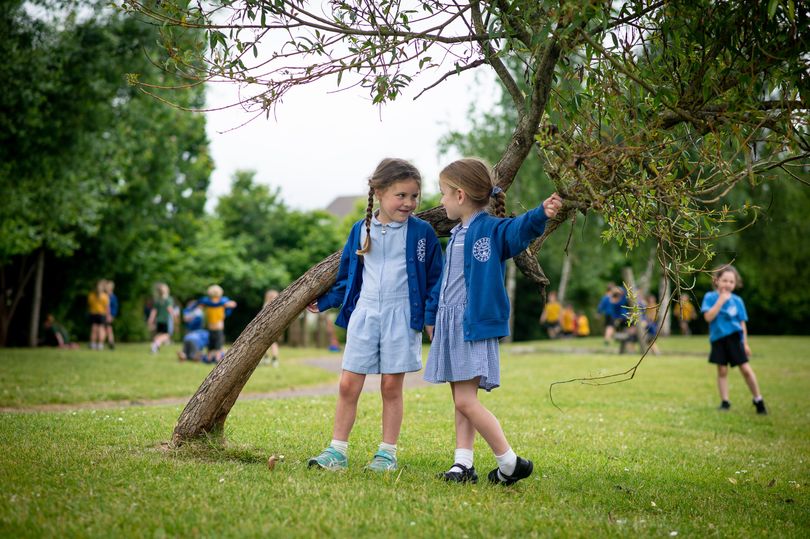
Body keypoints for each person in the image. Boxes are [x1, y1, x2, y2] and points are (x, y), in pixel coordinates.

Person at [423, 157, 563, 486]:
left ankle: (509, 461)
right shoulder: (456, 233)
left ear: (460, 195)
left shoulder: (489, 229)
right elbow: (445, 281)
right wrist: (432, 316)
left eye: (443, 193)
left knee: (465, 400)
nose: (440, 201)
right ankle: (463, 463)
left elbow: (518, 230)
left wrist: (541, 213)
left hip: (472, 322)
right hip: (451, 322)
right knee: (461, 397)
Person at [306, 158, 443, 473]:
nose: (409, 203)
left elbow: (437, 278)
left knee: (391, 387)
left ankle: (386, 454)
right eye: (401, 195)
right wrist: (325, 301)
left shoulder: (422, 233)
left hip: (402, 314)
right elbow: (346, 277)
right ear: (378, 192)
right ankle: (337, 452)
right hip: (365, 314)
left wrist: (430, 316)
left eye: (414, 196)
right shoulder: (360, 229)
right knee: (347, 384)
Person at [701, 265, 767, 414]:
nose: (728, 284)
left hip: (735, 339)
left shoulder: (738, 301)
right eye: (725, 280)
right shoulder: (710, 297)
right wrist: (720, 301)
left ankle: (758, 400)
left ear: (735, 283)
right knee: (722, 370)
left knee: (746, 369)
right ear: (717, 280)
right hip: (718, 339)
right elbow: (708, 317)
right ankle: (725, 402)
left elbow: (742, 323)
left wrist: (745, 343)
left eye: (731, 281)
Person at [193, 284, 237, 363]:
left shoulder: (208, 303)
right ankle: (216, 359)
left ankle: (210, 359)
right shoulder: (222, 303)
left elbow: (198, 304)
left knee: (211, 346)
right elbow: (233, 304)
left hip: (211, 328)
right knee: (217, 347)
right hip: (218, 328)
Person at [147, 283, 176, 354]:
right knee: (167, 335)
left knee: (159, 335)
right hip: (166, 320)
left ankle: (154, 347)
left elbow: (153, 312)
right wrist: (174, 317)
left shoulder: (158, 300)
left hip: (158, 320)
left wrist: (150, 320)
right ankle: (155, 344)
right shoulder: (169, 299)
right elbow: (170, 309)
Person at [87, 280, 109, 350]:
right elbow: (90, 305)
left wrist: (108, 315)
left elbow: (107, 307)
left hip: (101, 314)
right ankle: (93, 344)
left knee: (100, 329)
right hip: (94, 314)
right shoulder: (92, 295)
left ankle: (100, 344)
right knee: (94, 329)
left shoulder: (104, 296)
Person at [262, 289, 281, 367]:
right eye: (271, 296)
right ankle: (267, 357)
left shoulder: (279, 304)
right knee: (264, 344)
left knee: (273, 344)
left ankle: (274, 359)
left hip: (274, 327)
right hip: (266, 327)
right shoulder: (266, 305)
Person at [105, 280, 118, 350]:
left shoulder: (113, 297)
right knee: (107, 329)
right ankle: (110, 343)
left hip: (109, 315)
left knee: (108, 329)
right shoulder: (105, 296)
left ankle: (111, 342)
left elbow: (114, 307)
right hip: (104, 315)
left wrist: (111, 315)